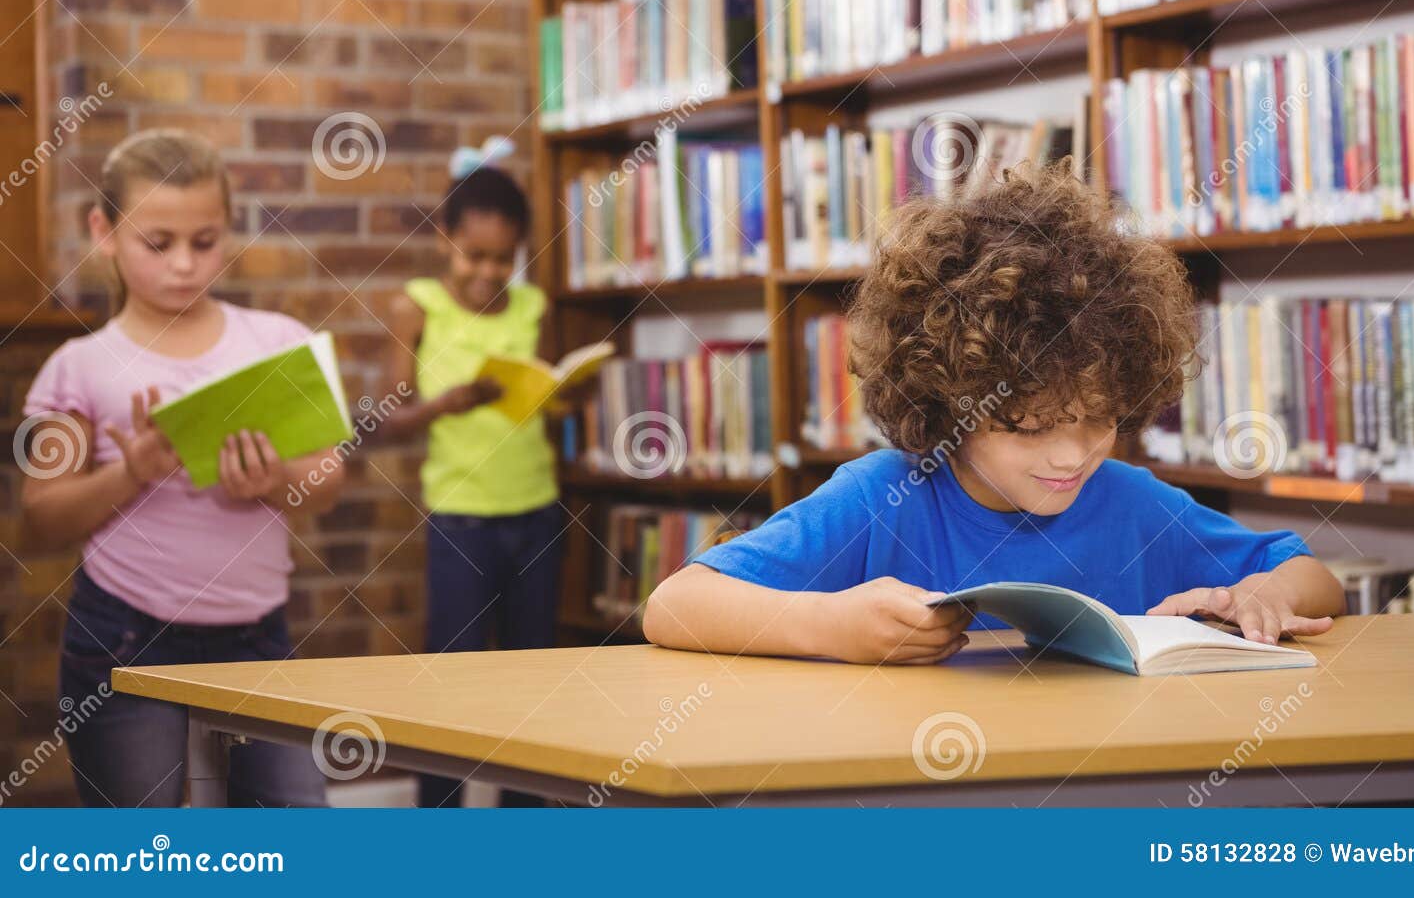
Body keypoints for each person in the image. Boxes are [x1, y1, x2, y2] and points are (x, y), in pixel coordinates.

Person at [643, 162, 1345, 663]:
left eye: (1098, 419)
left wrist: (1265, 593)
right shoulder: (883, 498)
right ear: (951, 403)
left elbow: (1310, 572)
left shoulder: (1130, 502)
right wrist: (829, 625)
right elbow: (674, 605)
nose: (1071, 456)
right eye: (1030, 427)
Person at [21, 129, 345, 806]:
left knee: (300, 829)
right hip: (124, 638)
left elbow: (328, 479)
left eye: (206, 241)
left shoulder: (274, 343)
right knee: (148, 853)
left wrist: (277, 481)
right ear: (104, 230)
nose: (185, 265)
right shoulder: (75, 368)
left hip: (260, 637)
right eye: (158, 242)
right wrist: (130, 472)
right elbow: (41, 514)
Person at [377, 139, 568, 807]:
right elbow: (384, 419)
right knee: (451, 680)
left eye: (504, 258)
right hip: (461, 517)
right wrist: (448, 402)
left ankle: (525, 825)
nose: (489, 272)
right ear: (445, 239)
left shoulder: (532, 308)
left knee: (530, 681)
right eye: (474, 254)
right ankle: (442, 821)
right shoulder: (418, 306)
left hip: (537, 510)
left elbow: (549, 392)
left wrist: (569, 391)